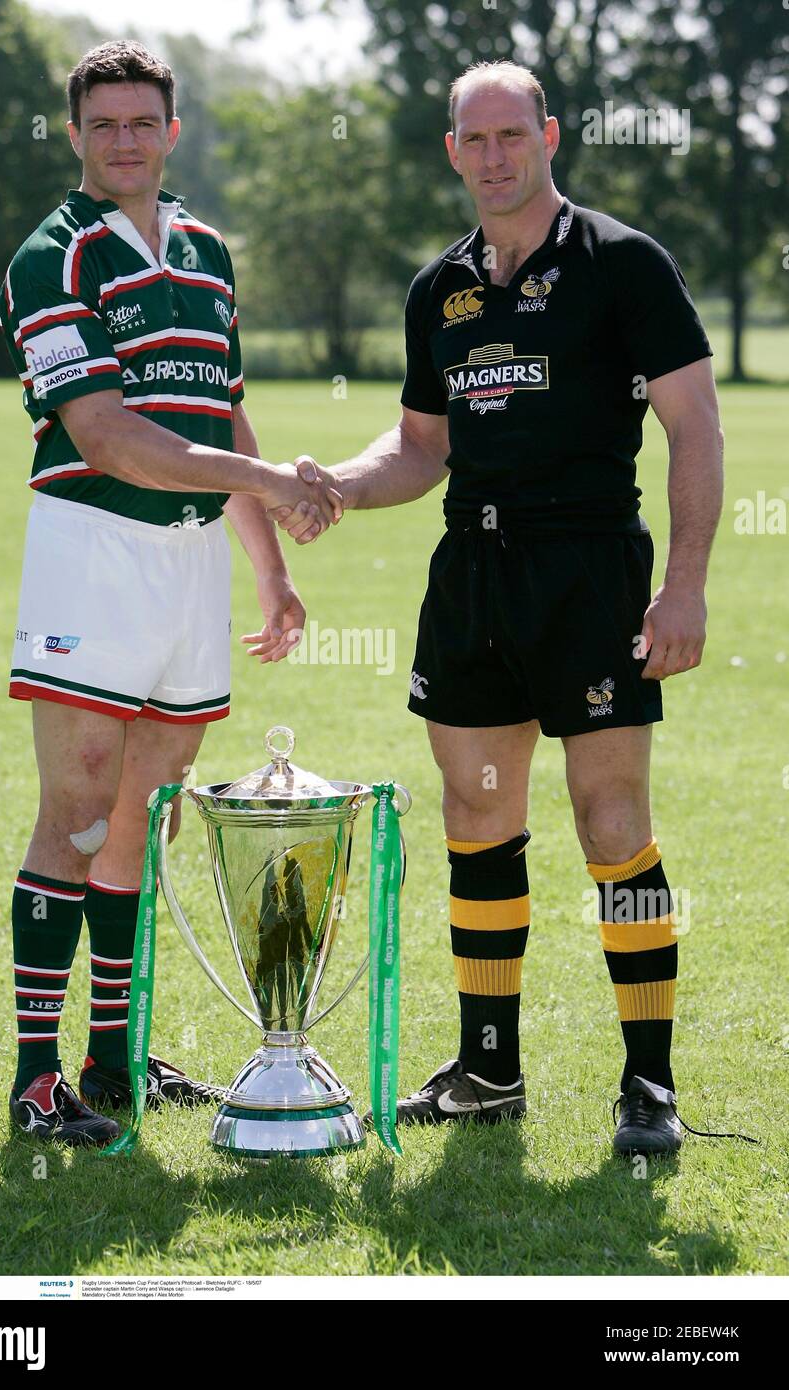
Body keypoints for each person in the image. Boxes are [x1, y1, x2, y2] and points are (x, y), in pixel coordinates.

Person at [277, 61, 724, 1156]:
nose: (491, 157)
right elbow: (420, 448)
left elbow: (696, 425)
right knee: (477, 819)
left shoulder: (624, 265)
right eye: (470, 140)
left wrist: (685, 584)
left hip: (590, 572)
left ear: (548, 136)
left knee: (610, 821)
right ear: (451, 152)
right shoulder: (440, 289)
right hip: (471, 577)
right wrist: (339, 482)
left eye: (508, 136)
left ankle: (649, 1084)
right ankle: (488, 1069)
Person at [0, 40, 341, 1146]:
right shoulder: (52, 254)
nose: (125, 141)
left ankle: (112, 1059)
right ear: (76, 136)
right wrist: (260, 481)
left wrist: (271, 566)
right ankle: (35, 1080)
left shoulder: (206, 249)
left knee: (141, 822)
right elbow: (102, 435)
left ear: (172, 131)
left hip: (191, 562)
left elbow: (220, 415)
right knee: (79, 808)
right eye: (103, 125)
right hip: (95, 550)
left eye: (143, 122)